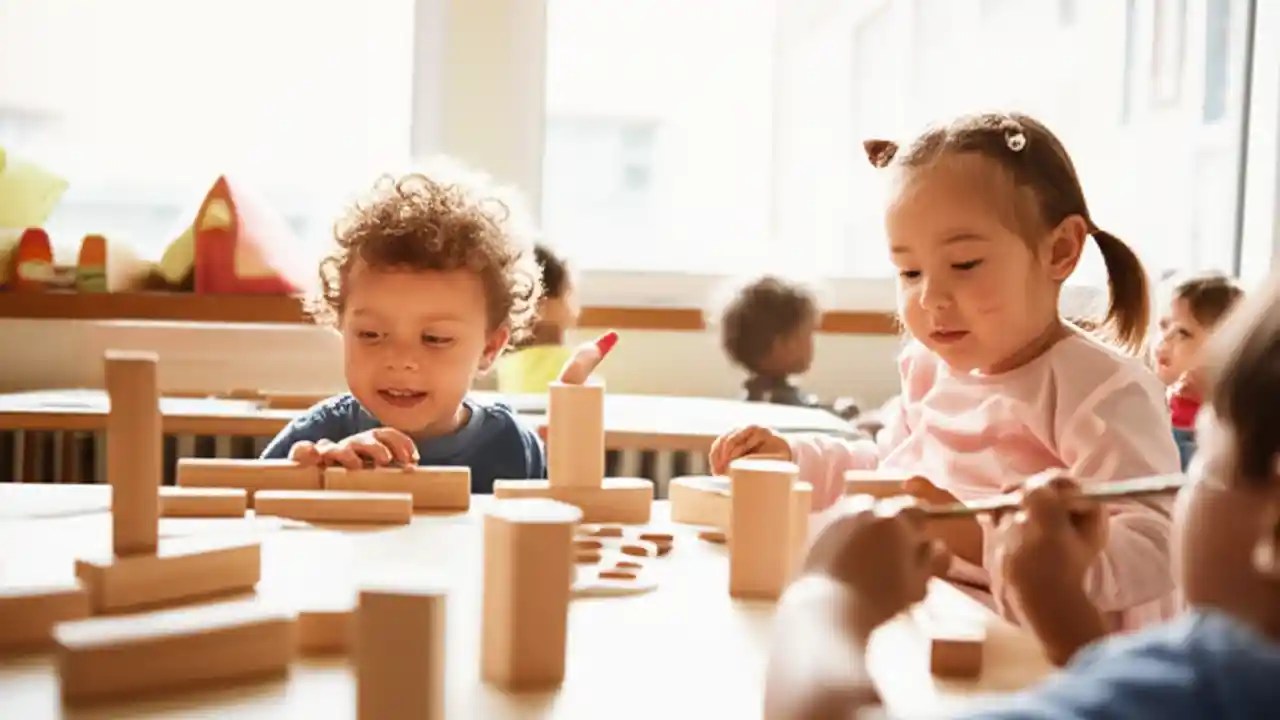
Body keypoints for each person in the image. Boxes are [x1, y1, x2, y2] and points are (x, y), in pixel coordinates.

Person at [711, 112, 1181, 632]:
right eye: (909, 272)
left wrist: (978, 536)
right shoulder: (928, 366)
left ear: (1060, 250)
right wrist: (795, 459)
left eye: (964, 265)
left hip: (1050, 651)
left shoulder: (1102, 390)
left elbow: (1156, 545)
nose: (929, 297)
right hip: (937, 615)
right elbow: (889, 467)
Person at [764, 270, 1280, 719]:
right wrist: (1062, 611)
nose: (931, 297)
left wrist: (827, 596)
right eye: (909, 271)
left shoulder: (1212, 686)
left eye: (1206, 453)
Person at [260, 161, 546, 493]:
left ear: (489, 348)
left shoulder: (513, 446)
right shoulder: (318, 437)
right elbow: (246, 526)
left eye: (435, 339)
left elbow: (544, 537)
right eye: (370, 335)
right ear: (341, 328)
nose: (400, 359)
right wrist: (311, 478)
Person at [1151, 272, 1244, 469]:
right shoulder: (1154, 394)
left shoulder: (1228, 415)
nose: (1164, 339)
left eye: (1183, 333)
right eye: (1163, 326)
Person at [719, 275, 821, 406]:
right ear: (783, 345)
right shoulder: (783, 404)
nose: (812, 344)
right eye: (808, 334)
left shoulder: (748, 399)